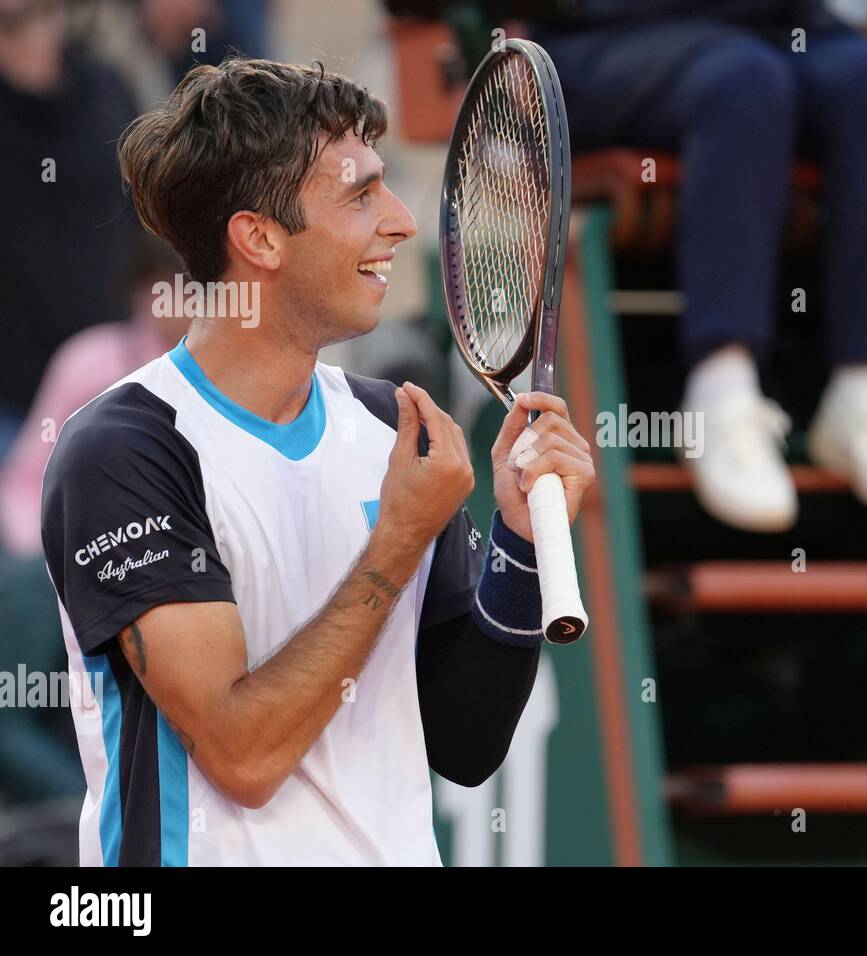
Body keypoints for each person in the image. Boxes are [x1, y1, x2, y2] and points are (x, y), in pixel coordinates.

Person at [40, 57, 595, 866]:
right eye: (362, 194)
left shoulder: (384, 426)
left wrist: (515, 540)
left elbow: (465, 745)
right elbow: (243, 757)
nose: (402, 222)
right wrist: (399, 539)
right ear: (258, 238)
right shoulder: (125, 451)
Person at [392, 0, 867, 531]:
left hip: (769, 26)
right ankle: (721, 396)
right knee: (744, 83)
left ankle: (865, 392)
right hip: (598, 39)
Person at [0, 0, 140, 459]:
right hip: (12, 398)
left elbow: (143, 216)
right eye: (10, 24)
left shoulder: (106, 88)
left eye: (43, 13)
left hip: (108, 386)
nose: (32, 37)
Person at [0, 236, 189, 557]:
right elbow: (25, 481)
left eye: (193, 288)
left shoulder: (237, 375)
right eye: (165, 287)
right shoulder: (87, 360)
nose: (181, 302)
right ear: (139, 290)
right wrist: (51, 556)